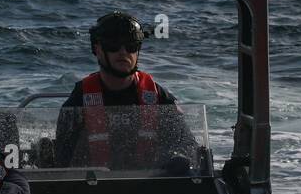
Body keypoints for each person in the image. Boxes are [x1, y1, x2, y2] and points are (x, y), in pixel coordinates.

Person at [52, 11, 195, 170]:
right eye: (113, 44)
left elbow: (186, 142)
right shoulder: (79, 100)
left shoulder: (158, 97)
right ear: (97, 49)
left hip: (150, 185)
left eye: (131, 45)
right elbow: (62, 159)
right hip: (95, 186)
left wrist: (179, 157)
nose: (123, 51)